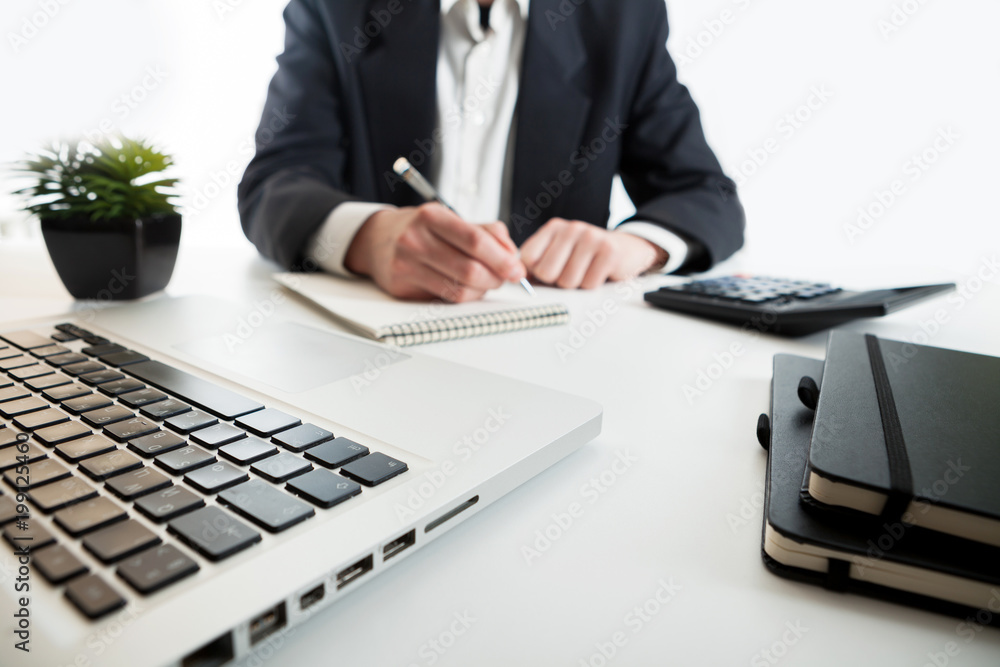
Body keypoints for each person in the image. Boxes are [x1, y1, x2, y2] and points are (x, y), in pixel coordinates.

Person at [238, 0, 745, 302]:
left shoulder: (621, 14)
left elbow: (707, 196)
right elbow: (275, 182)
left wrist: (629, 248)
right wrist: (369, 239)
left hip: (552, 364)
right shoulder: (338, 8)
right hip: (367, 357)